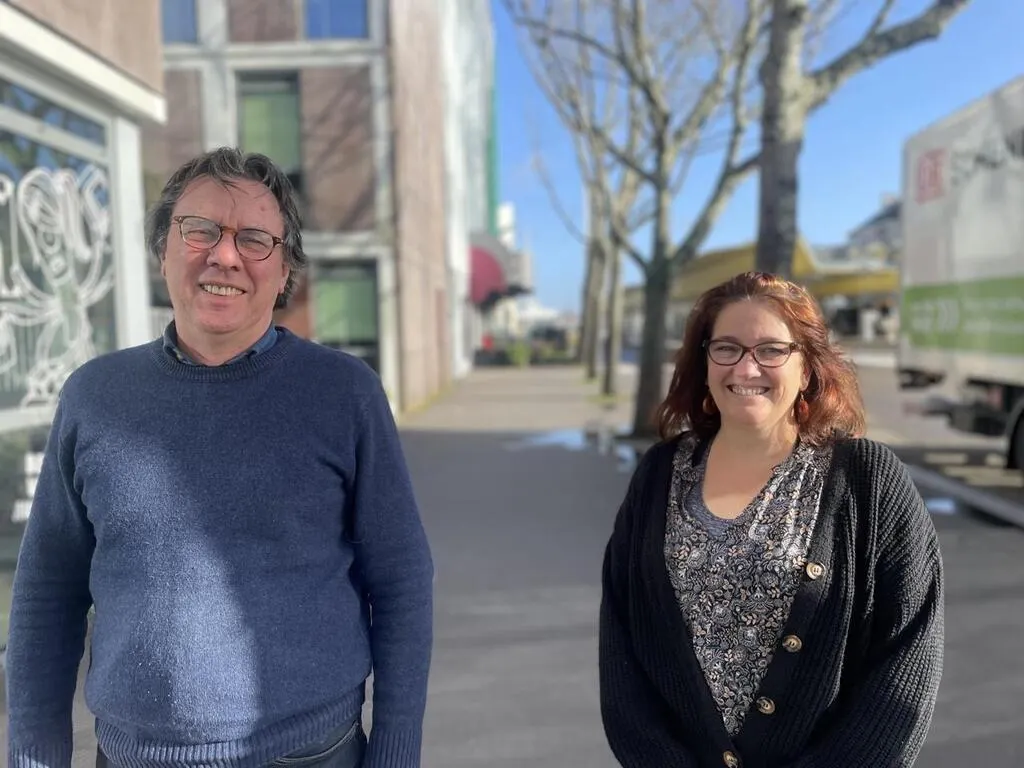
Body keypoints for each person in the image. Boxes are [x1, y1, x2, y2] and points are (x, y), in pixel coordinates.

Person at [6, 148, 434, 768]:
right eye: (201, 230)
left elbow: (401, 581)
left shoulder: (344, 394)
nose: (225, 256)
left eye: (255, 239)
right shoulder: (94, 398)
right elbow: (48, 590)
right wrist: (33, 756)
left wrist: (395, 753)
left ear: (285, 271)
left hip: (311, 756)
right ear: (163, 251)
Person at [599, 271, 944, 768]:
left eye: (771, 350)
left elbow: (907, 661)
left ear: (806, 368)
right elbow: (620, 643)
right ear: (705, 360)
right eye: (727, 348)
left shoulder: (868, 479)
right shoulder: (658, 474)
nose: (746, 368)